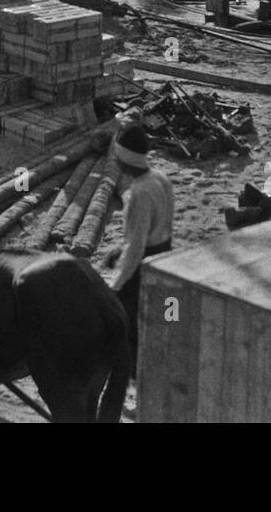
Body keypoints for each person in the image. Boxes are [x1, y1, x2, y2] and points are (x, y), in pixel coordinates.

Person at [105, 122, 174, 365]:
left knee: (124, 320)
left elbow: (136, 247)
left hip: (144, 261)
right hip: (165, 253)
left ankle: (133, 370)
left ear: (123, 161)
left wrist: (117, 284)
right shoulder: (161, 178)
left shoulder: (138, 194)